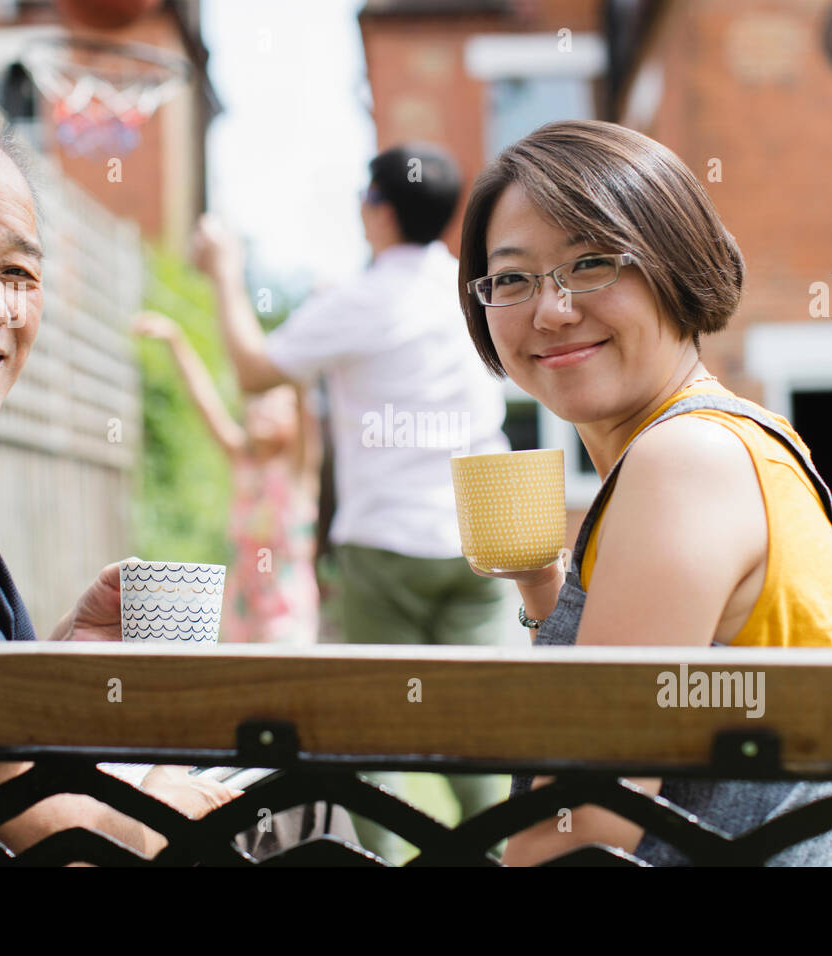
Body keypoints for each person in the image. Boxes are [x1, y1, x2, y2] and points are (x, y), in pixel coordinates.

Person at [0, 109, 351, 861]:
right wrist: (160, 806)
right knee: (306, 803)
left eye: (17, 273)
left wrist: (53, 662)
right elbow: (52, 839)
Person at [455, 119, 832, 866]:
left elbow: (584, 830)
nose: (551, 311)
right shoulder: (728, 442)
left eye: (591, 264)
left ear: (677, 265)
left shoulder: (684, 462)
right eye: (514, 278)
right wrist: (546, 594)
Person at [190, 144, 518, 863]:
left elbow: (253, 371)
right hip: (483, 537)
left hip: (387, 541)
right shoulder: (477, 291)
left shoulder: (363, 299)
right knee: (479, 729)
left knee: (375, 730)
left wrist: (225, 272)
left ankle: (382, 864)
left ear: (376, 210)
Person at [132, 311, 320, 645]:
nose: (262, 407)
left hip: (285, 611)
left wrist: (297, 363)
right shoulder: (243, 461)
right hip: (242, 608)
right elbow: (204, 402)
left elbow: (305, 399)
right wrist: (176, 340)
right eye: (259, 400)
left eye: (277, 403)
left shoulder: (298, 469)